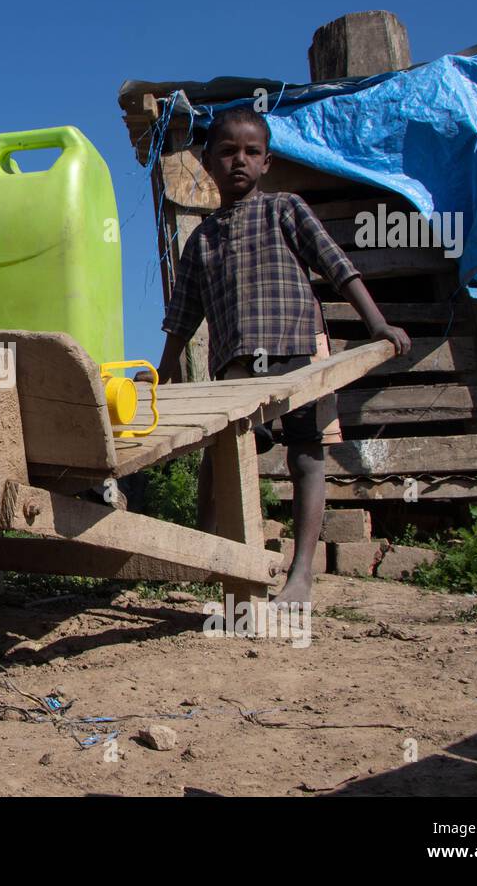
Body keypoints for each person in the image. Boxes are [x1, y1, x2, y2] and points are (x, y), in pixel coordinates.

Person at [157, 107, 411, 606]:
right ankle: (206, 556)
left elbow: (338, 267)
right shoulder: (203, 239)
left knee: (307, 457)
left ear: (267, 162)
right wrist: (163, 372)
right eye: (227, 152)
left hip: (299, 361)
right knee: (222, 458)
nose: (239, 161)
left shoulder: (285, 209)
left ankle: (300, 576)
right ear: (207, 162)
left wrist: (376, 324)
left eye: (251, 152)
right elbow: (181, 318)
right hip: (236, 372)